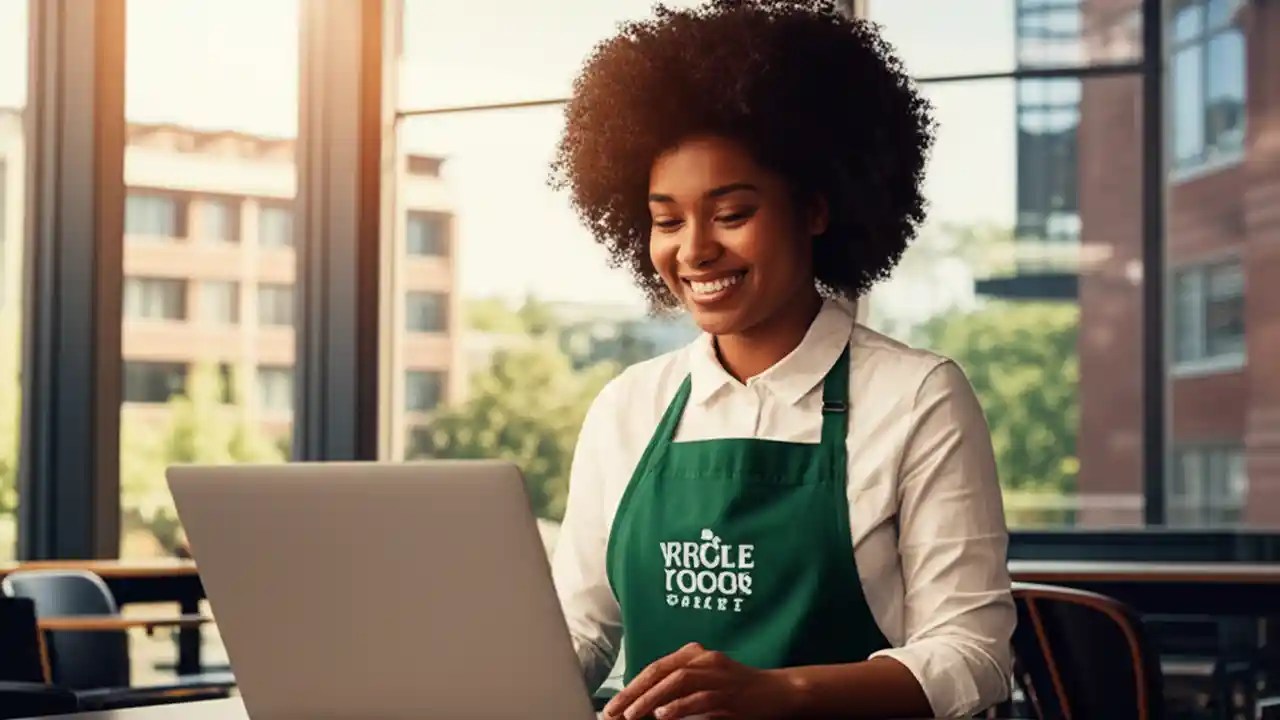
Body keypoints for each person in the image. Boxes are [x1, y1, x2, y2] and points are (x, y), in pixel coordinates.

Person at [548, 1, 1015, 718]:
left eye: (732, 214)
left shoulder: (917, 395)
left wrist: (778, 693)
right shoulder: (629, 405)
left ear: (816, 209)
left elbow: (972, 656)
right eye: (667, 220)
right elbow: (580, 631)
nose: (694, 249)